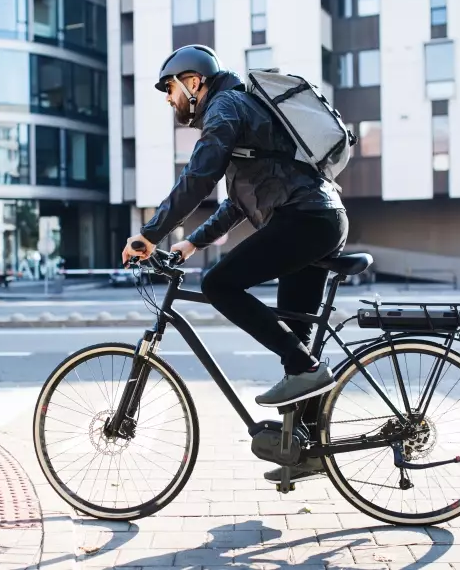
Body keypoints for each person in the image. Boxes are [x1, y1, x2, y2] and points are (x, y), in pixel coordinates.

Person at [121, 45, 349, 483]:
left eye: (170, 88)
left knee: (219, 285)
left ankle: (307, 371)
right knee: (295, 339)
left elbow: (198, 176)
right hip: (318, 218)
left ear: (194, 82)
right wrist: (188, 244)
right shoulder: (241, 111)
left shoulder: (224, 107)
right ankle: (306, 451)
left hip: (305, 219)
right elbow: (237, 203)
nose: (169, 99)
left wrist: (149, 233)